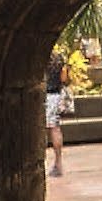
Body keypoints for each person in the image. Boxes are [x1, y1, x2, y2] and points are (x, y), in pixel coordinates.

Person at [45, 49, 67, 177]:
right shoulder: (58, 57)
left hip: (45, 94)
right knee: (55, 127)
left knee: (46, 129)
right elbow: (64, 78)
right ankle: (58, 163)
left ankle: (55, 165)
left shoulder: (39, 57)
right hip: (56, 95)